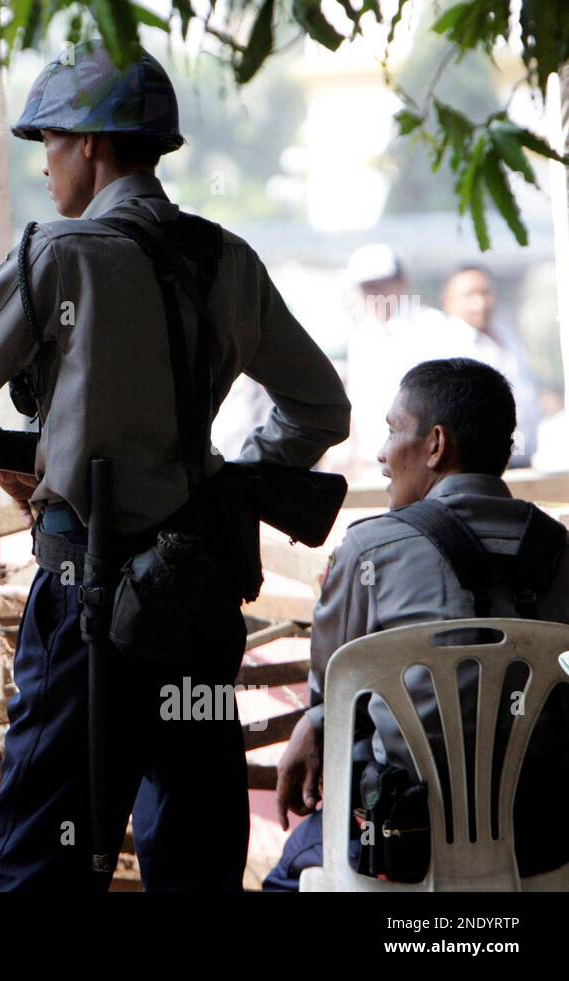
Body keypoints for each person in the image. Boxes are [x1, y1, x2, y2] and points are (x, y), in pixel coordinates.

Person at [0, 40, 351, 891]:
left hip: (88, 609)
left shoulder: (61, 253)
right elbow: (320, 409)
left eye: (50, 143)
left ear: (93, 145)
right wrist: (233, 479)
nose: (44, 167)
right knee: (194, 850)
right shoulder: (228, 259)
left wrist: (15, 467)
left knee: (33, 854)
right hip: (197, 600)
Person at [268, 358, 569, 890]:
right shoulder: (561, 551)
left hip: (402, 844)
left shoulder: (370, 549)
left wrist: (311, 723)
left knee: (289, 871)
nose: (382, 454)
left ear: (435, 444)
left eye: (391, 431)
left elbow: (333, 697)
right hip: (543, 845)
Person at [341, 244, 470, 476]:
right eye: (367, 287)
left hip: (424, 465)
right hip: (372, 466)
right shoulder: (361, 338)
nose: (374, 293)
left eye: (381, 284)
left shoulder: (435, 327)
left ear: (402, 283)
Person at [440, 264, 542, 465]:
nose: (480, 303)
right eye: (469, 295)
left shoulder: (508, 338)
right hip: (481, 467)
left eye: (485, 293)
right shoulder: (445, 347)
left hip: (522, 461)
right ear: (448, 301)